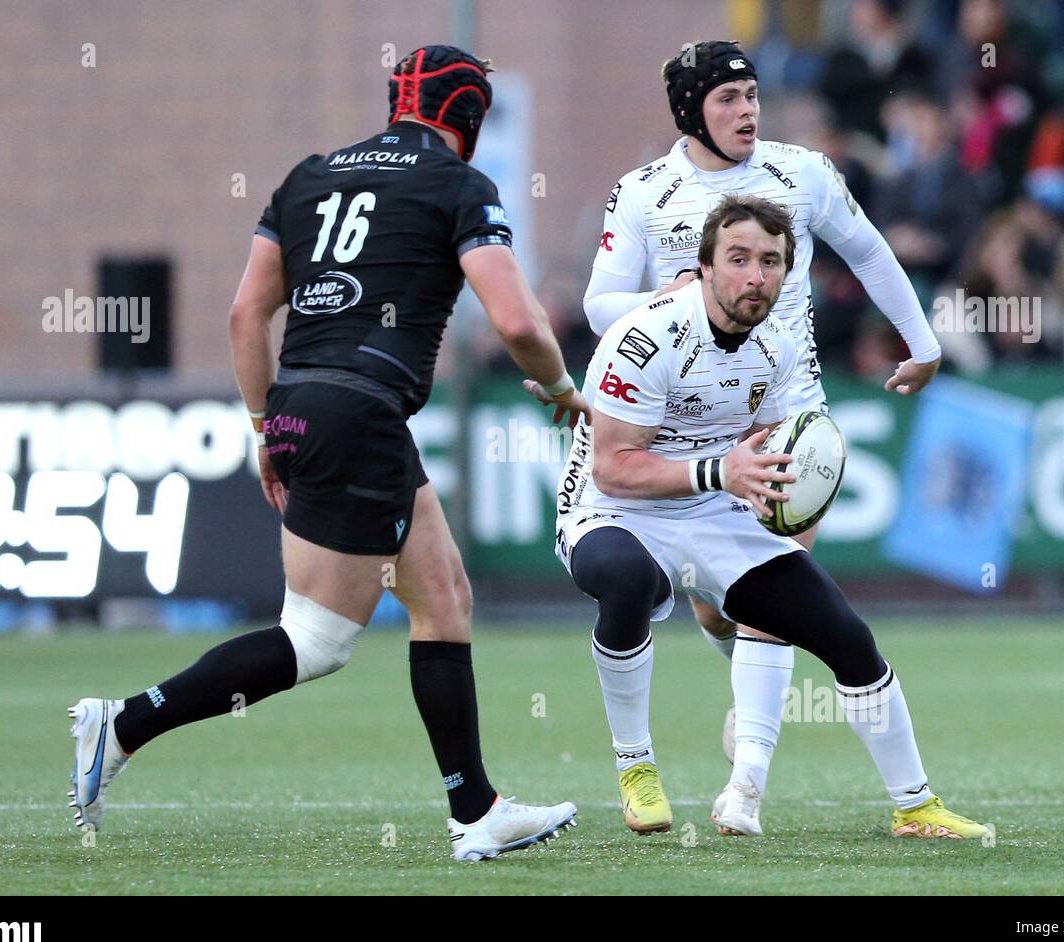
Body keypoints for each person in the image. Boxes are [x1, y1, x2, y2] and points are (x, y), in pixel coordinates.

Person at [68, 44, 588, 862]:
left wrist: (263, 425)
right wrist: (560, 388)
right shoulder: (459, 185)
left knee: (445, 593)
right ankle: (126, 721)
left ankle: (476, 809)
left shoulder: (308, 175)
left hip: (306, 404)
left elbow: (247, 315)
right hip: (365, 408)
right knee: (314, 640)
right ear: (470, 118)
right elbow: (519, 323)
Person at [574, 40, 942, 834]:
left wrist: (923, 342)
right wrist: (658, 296)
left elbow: (869, 249)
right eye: (728, 99)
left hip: (784, 412)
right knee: (720, 614)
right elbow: (599, 303)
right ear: (689, 111)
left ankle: (746, 784)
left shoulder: (801, 172)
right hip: (672, 425)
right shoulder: (644, 192)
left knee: (781, 587)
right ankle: (739, 683)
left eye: (752, 95)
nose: (748, 112)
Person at [546, 194, 986, 840]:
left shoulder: (777, 343)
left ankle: (915, 805)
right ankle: (636, 765)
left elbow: (766, 434)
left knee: (846, 636)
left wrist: (786, 478)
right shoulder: (645, 338)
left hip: (712, 505)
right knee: (625, 579)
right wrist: (720, 472)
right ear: (703, 267)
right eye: (739, 258)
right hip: (613, 508)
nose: (757, 275)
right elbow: (613, 466)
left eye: (772, 261)